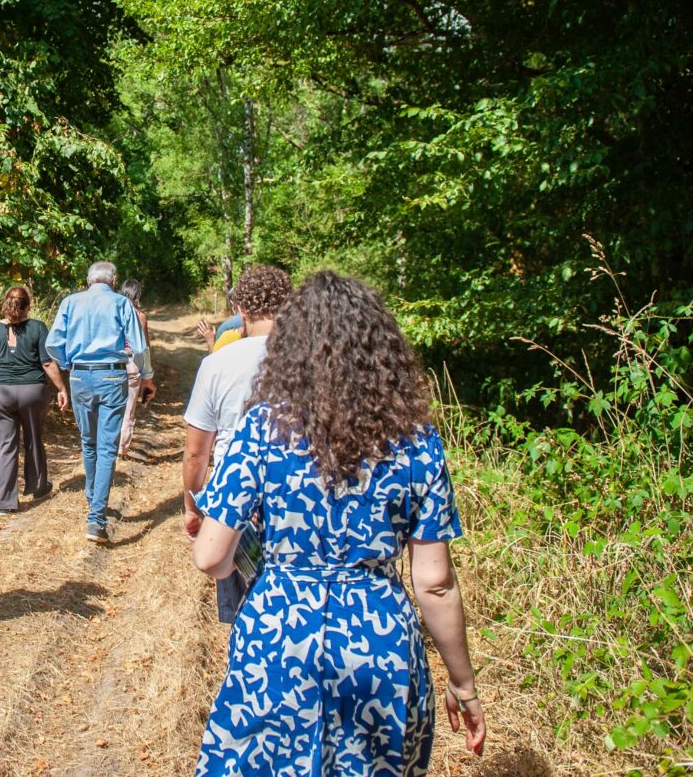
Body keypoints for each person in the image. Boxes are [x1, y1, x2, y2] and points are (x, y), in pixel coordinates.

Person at [190, 271, 486, 776]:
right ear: (381, 349)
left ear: (291, 348)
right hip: (381, 645)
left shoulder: (261, 427)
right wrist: (462, 681)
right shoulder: (416, 440)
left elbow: (212, 557)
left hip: (279, 640)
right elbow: (434, 583)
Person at [180, 264, 291, 623]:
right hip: (295, 492)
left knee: (242, 610)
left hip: (234, 498)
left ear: (240, 309)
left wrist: (193, 506)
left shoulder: (218, 363)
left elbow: (197, 452)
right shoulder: (309, 360)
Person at [45, 261, 151, 544]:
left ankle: (94, 499)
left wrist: (68, 363)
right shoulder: (120, 304)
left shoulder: (70, 302)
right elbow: (138, 347)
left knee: (89, 443)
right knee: (106, 448)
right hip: (111, 376)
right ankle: (96, 518)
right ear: (114, 280)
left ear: (88, 279)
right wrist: (147, 374)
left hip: (79, 377)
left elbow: (53, 343)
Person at [0, 286, 66, 513]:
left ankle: (5, 503)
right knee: (33, 438)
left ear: (5, 304)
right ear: (28, 305)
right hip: (33, 391)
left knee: (3, 445)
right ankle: (38, 486)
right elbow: (47, 362)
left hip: (2, 393)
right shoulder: (38, 328)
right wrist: (61, 388)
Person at [117, 279, 154, 453]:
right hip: (132, 364)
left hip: (113, 363)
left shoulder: (113, 312)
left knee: (112, 405)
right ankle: (122, 448)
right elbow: (144, 347)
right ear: (138, 295)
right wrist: (148, 376)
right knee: (128, 408)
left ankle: (109, 445)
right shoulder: (140, 316)